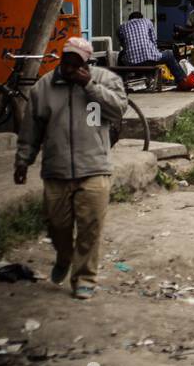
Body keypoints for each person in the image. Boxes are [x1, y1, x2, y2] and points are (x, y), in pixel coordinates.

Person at [13, 37, 128, 300]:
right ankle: (64, 256)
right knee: (57, 226)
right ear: (62, 58)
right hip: (57, 170)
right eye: (67, 61)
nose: (70, 67)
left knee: (90, 227)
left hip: (95, 167)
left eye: (77, 63)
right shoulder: (43, 87)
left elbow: (118, 110)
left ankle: (84, 277)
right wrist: (23, 160)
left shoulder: (104, 80)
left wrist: (88, 85)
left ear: (87, 63)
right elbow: (31, 129)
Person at [117, 11, 194, 90]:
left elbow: (124, 46)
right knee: (169, 55)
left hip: (131, 63)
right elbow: (153, 41)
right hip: (149, 59)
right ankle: (182, 81)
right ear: (141, 18)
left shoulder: (121, 27)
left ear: (129, 19)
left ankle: (120, 83)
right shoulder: (147, 21)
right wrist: (155, 51)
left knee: (121, 55)